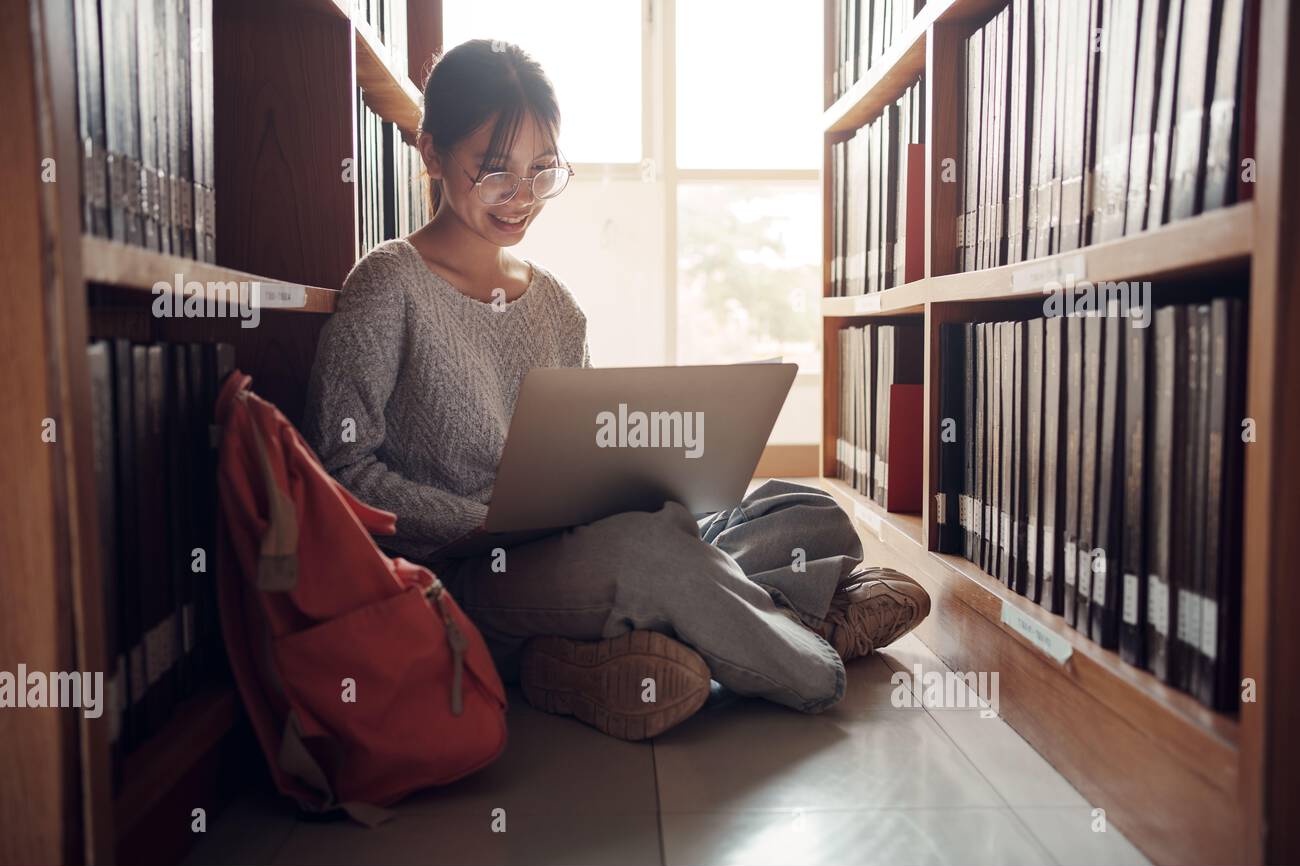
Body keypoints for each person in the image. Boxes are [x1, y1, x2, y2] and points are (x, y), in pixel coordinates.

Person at [303, 39, 931, 742]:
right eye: (494, 174)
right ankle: (803, 641)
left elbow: (587, 447)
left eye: (542, 172)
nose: (521, 199)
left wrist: (636, 482)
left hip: (578, 545)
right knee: (652, 556)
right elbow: (340, 473)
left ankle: (595, 657)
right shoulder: (387, 284)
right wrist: (477, 523)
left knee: (811, 513)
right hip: (469, 577)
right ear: (431, 152)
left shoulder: (557, 306)